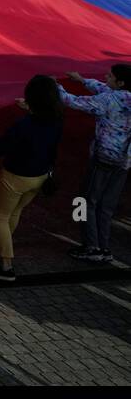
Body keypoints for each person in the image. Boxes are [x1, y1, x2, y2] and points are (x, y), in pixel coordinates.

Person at [0, 75, 65, 281]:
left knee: (0, 217)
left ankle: (6, 265)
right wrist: (30, 109)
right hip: (39, 177)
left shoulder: (24, 125)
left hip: (15, 177)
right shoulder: (56, 119)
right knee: (14, 212)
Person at [60, 66, 131, 264]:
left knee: (84, 201)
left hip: (103, 158)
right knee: (106, 206)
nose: (105, 76)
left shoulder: (108, 100)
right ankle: (104, 247)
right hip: (123, 162)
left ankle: (90, 245)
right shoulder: (124, 97)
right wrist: (82, 80)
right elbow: (102, 88)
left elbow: (72, 101)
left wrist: (53, 87)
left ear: (120, 83)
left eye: (110, 76)